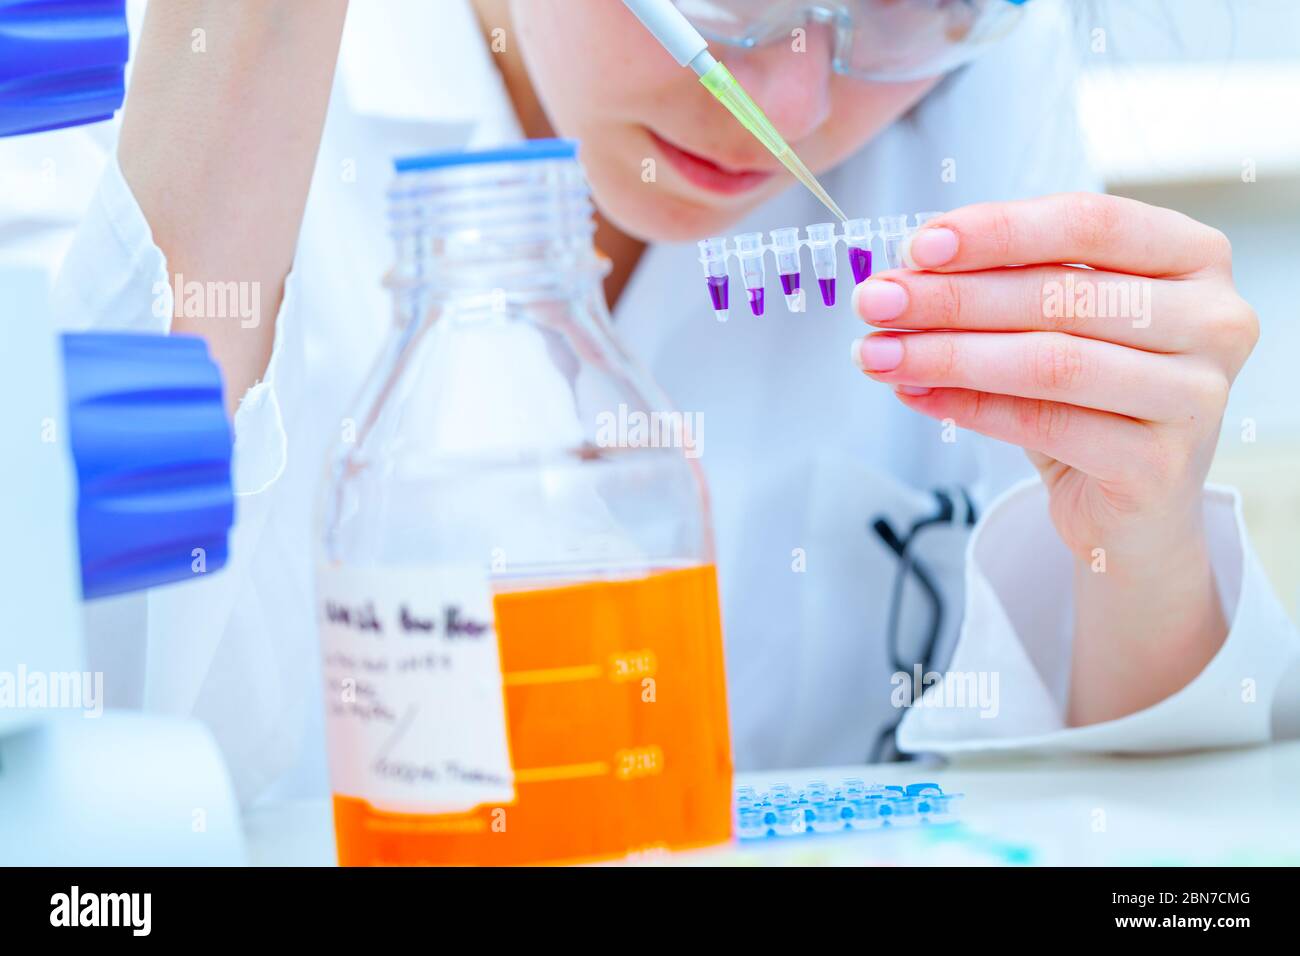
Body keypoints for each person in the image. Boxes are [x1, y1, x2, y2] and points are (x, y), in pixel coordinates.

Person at [45, 0, 1299, 804]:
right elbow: (84, 761)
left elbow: (1143, 800)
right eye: (730, 0)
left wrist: (1137, 531)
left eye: (915, 7)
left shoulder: (977, 84)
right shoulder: (176, 81)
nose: (790, 110)